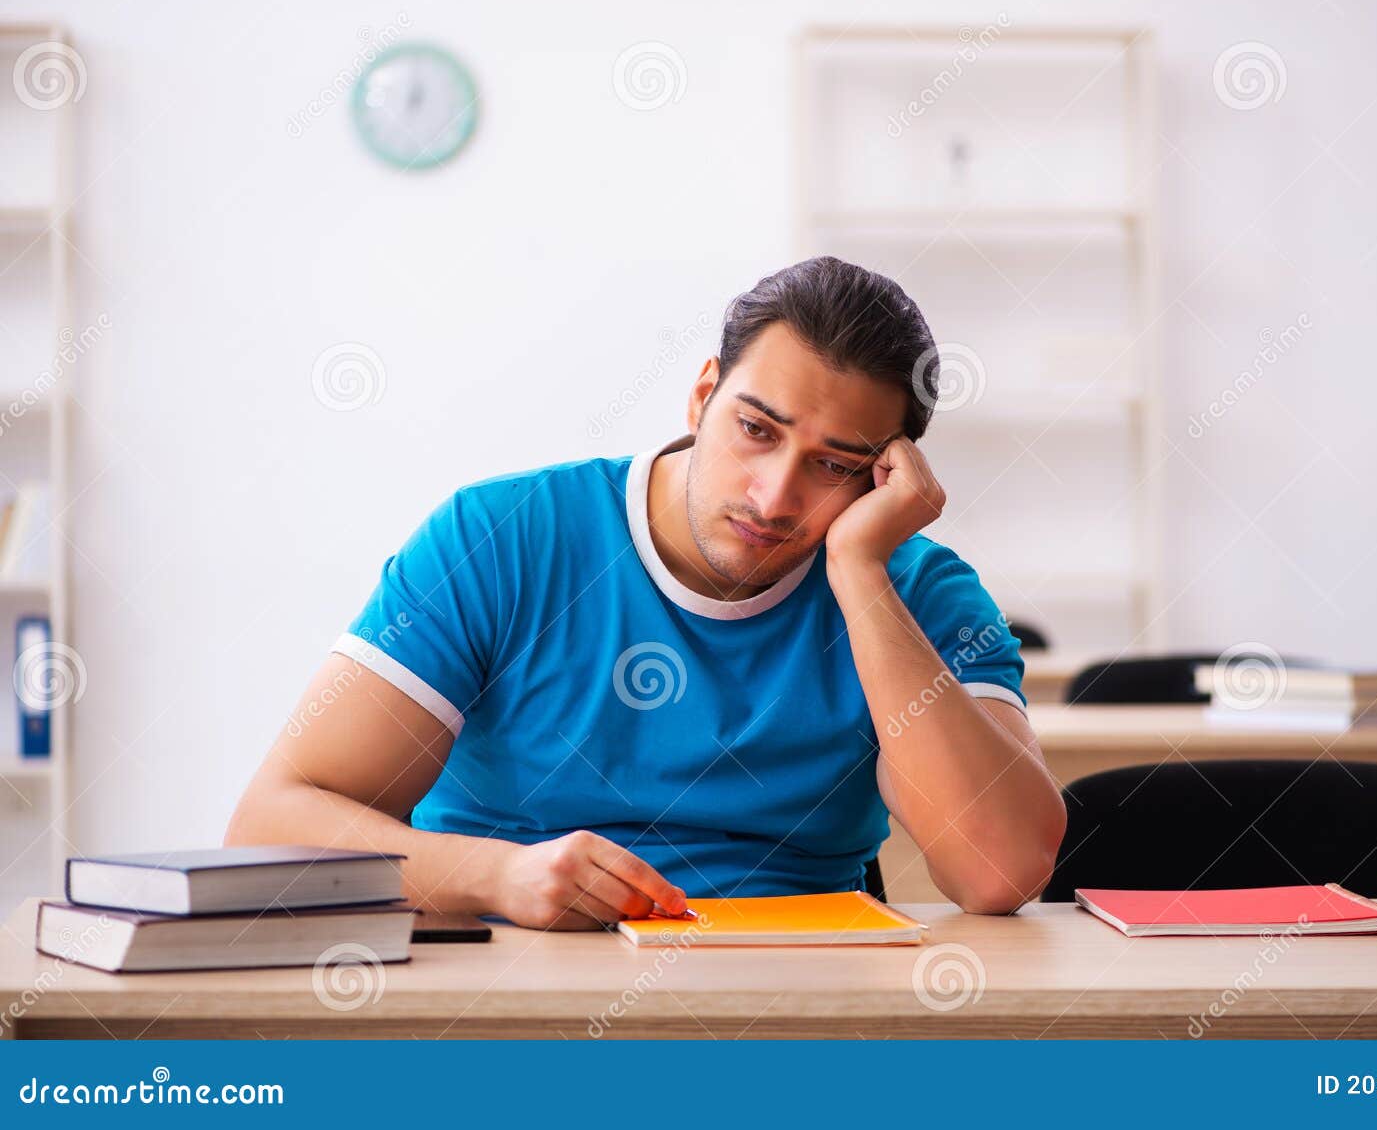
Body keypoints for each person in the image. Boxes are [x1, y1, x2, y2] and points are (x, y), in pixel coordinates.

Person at [226, 256, 1066, 929]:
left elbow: (997, 873)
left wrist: (857, 572)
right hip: (510, 988)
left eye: (835, 464)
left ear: (888, 476)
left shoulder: (919, 591)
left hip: (796, 1009)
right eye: (756, 430)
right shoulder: (503, 536)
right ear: (704, 395)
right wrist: (500, 875)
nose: (774, 497)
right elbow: (271, 825)